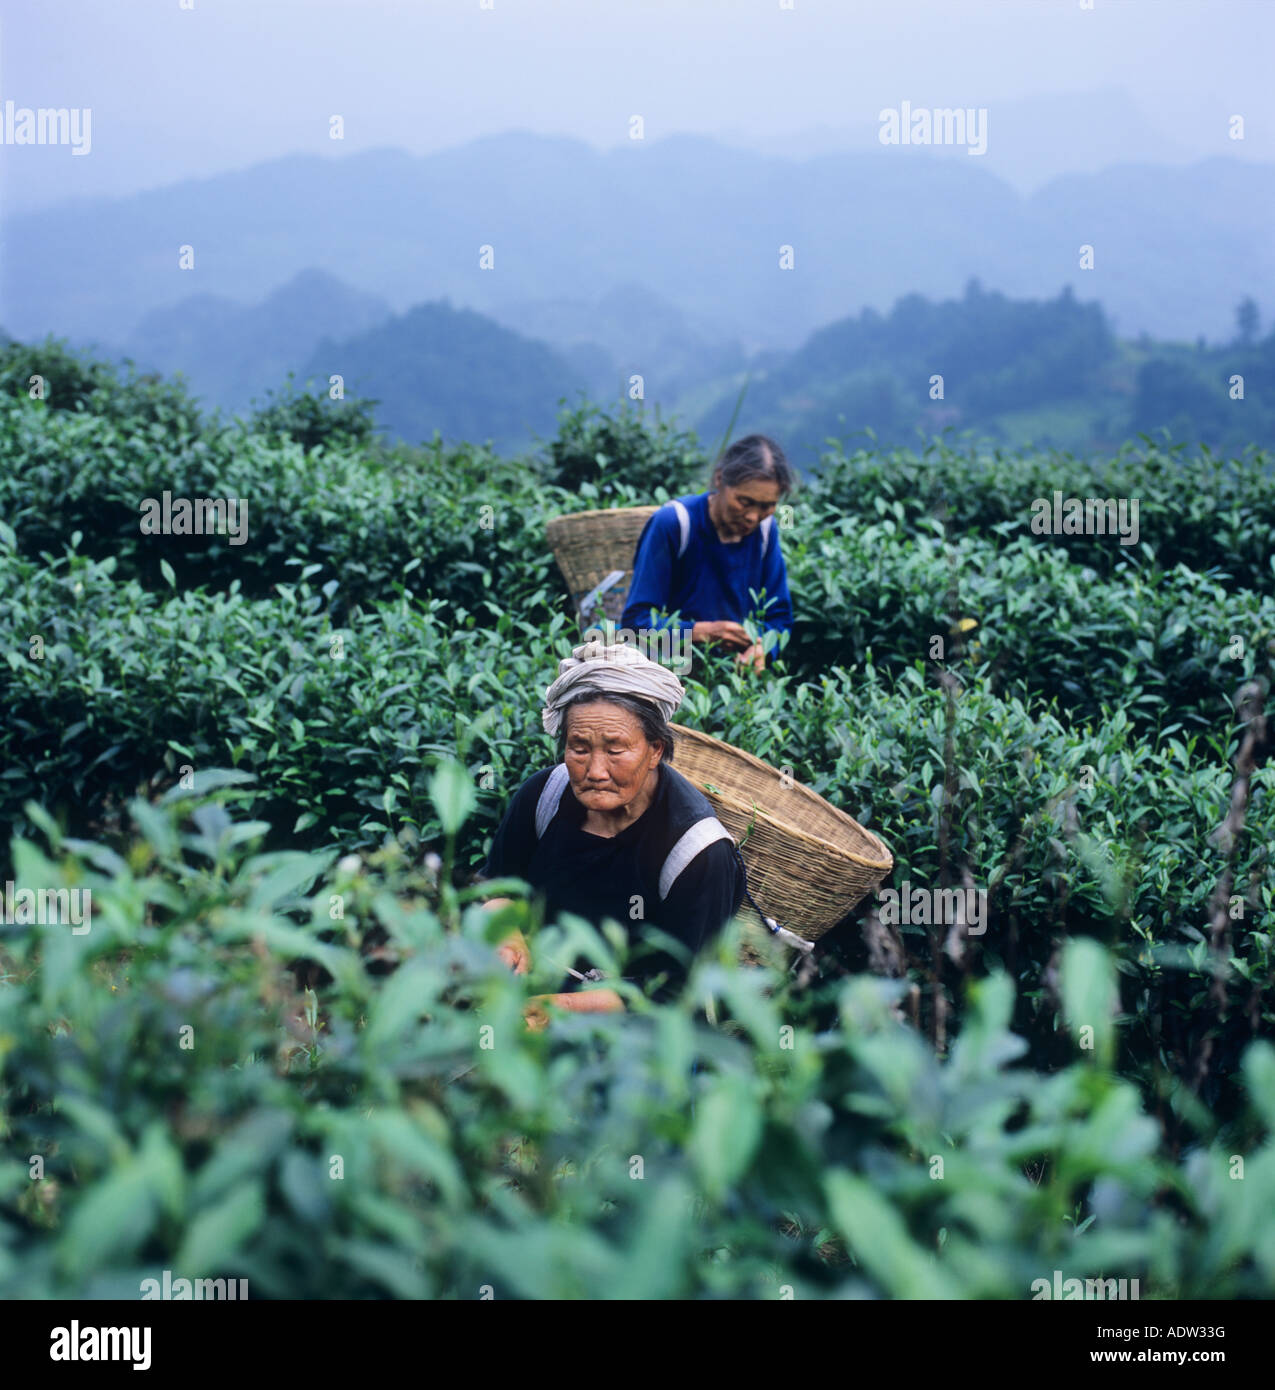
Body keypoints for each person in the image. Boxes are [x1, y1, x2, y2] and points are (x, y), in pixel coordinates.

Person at [481, 639, 745, 1024]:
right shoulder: (543, 795)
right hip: (537, 991)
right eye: (579, 748)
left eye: (616, 749)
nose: (595, 770)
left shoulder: (698, 852)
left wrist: (559, 1009)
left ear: (655, 750)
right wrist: (506, 934)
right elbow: (498, 887)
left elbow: (674, 991)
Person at [621, 434, 796, 672]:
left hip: (735, 678)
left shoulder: (765, 530)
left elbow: (779, 617)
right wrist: (702, 632)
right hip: (670, 673)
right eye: (744, 502)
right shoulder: (675, 523)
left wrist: (763, 649)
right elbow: (635, 623)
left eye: (766, 506)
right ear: (720, 479)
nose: (753, 517)